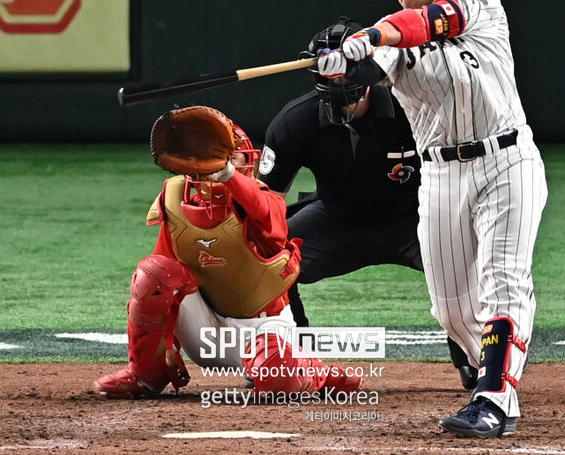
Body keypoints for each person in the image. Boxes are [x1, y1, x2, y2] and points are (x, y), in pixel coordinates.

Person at [318, 0, 548, 438]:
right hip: (441, 175)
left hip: (507, 161)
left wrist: (369, 38)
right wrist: (338, 68)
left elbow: (430, 23)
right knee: (452, 310)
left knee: (503, 282)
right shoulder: (386, 33)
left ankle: (492, 398)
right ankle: (497, 374)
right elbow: (365, 75)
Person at [259, 17, 478, 391]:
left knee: (465, 260)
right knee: (267, 262)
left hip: (414, 219)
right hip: (337, 221)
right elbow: (266, 200)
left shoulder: (414, 110)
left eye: (347, 78)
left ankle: (472, 359)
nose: (340, 88)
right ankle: (293, 359)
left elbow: (458, 172)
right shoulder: (295, 121)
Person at [93, 107, 363, 400]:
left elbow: (265, 211)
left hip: (262, 329)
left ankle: (316, 372)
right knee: (154, 274)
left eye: (234, 158)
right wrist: (167, 346)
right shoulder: (173, 198)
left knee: (277, 377)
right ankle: (147, 375)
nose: (224, 164)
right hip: (203, 329)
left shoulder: (263, 200)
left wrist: (230, 177)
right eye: (219, 157)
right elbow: (163, 279)